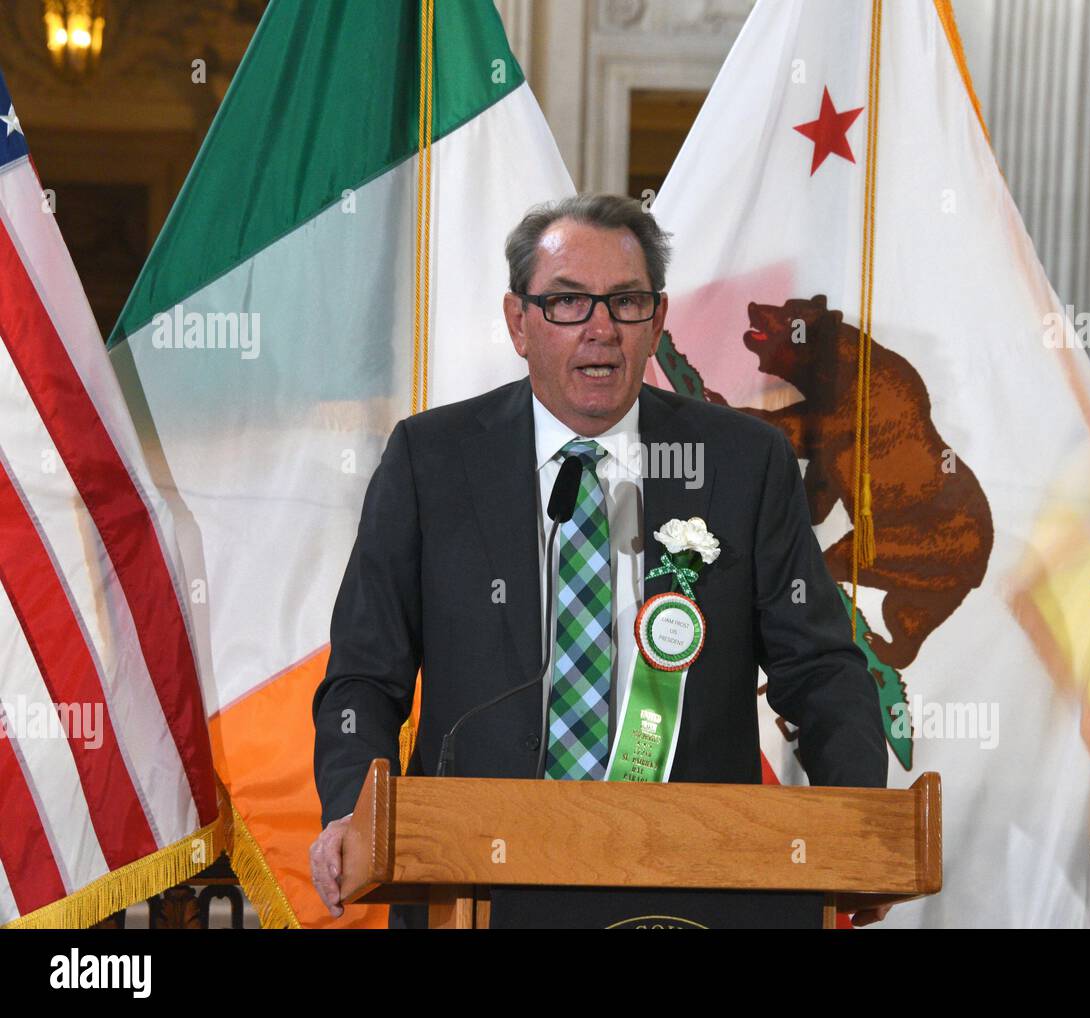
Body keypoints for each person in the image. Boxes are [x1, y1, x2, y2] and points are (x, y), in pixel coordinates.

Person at [310, 193, 889, 927]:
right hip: (477, 880)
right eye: (567, 304)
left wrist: (860, 820)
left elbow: (820, 668)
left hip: (701, 881)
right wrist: (347, 813)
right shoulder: (432, 460)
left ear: (658, 320)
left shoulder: (744, 463)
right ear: (519, 322)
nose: (601, 329)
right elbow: (365, 672)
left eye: (626, 302)